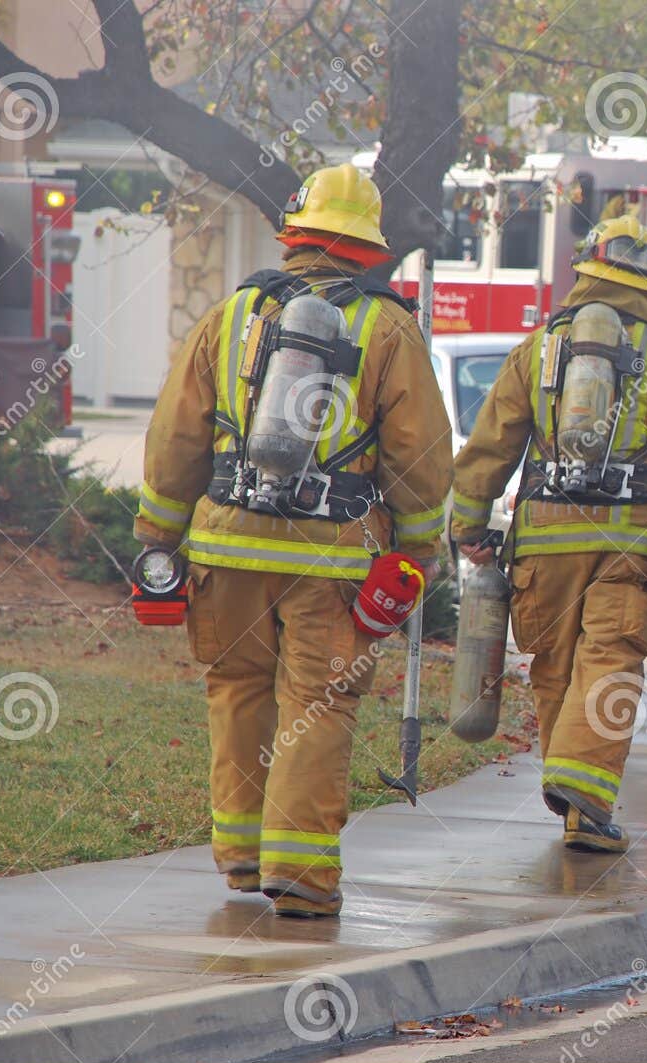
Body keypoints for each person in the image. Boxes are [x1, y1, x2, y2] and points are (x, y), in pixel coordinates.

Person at [134, 163, 454, 918]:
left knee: (238, 691)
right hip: (331, 559)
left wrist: (158, 541)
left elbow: (175, 435)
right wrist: (415, 552)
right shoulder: (390, 327)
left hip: (225, 548)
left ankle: (243, 855)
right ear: (367, 248)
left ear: (296, 235)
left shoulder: (235, 311)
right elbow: (421, 456)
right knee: (318, 702)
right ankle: (302, 874)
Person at [450, 215, 647, 852]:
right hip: (630, 540)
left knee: (554, 669)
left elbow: (493, 440)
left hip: (544, 537)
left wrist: (468, 522)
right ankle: (584, 792)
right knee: (609, 659)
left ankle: (577, 794)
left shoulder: (540, 347)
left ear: (587, 270)